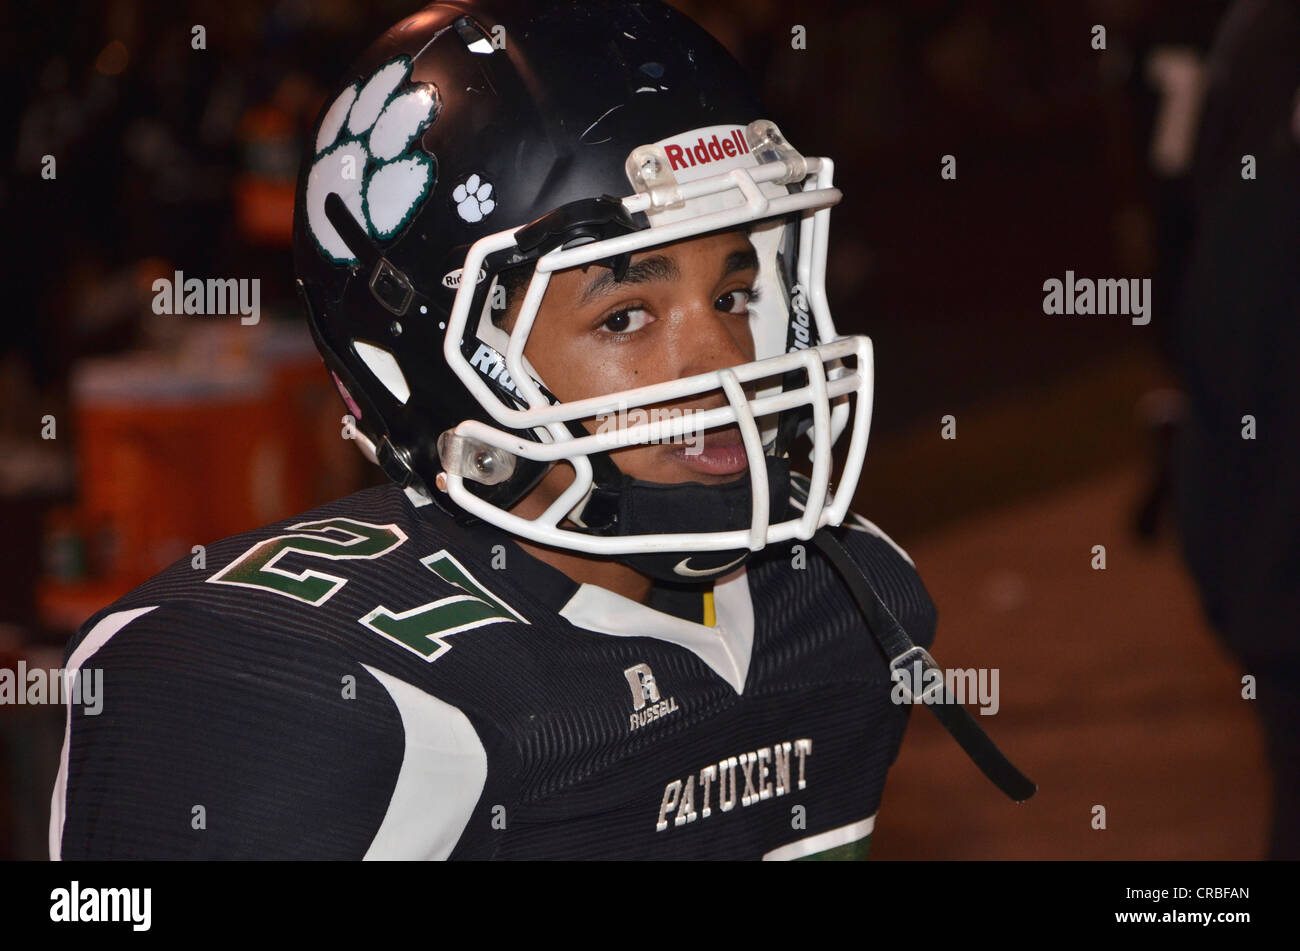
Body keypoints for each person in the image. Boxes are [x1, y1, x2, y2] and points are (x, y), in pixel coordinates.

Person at [50, 0, 1027, 860]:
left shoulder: (835, 606)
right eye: (625, 317)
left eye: (735, 291)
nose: (725, 362)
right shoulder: (275, 694)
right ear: (432, 360)